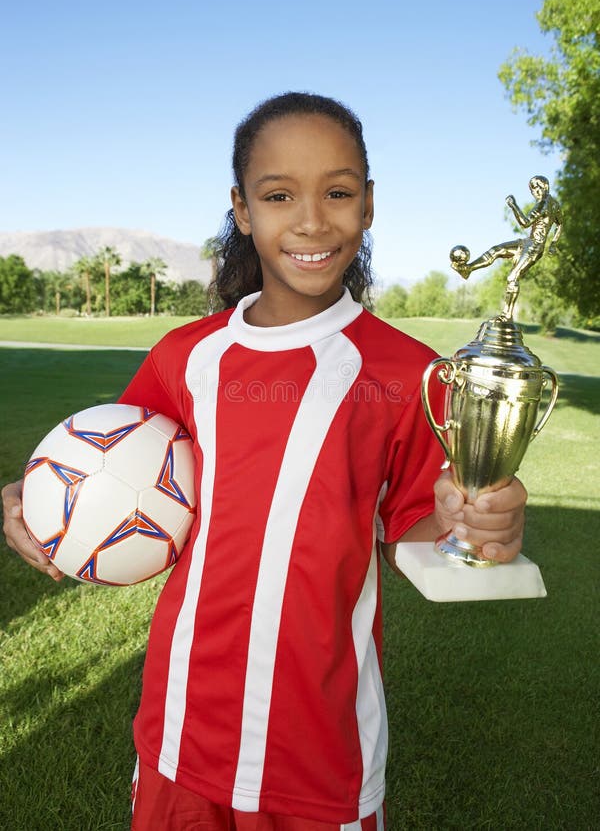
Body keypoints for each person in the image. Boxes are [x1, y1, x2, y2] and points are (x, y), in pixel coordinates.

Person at [2, 92, 527, 831]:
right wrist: (27, 496)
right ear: (243, 210)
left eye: (338, 192)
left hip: (318, 752)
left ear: (368, 205)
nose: (312, 220)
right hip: (178, 731)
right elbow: (101, 469)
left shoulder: (410, 375)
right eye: (279, 195)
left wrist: (479, 526)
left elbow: (420, 527)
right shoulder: (186, 358)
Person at [451, 175, 563, 320]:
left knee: (512, 277)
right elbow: (560, 224)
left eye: (535, 189)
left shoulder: (543, 204)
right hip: (528, 241)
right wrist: (553, 244)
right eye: (532, 191)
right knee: (497, 249)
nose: (534, 193)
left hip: (535, 246)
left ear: (544, 187)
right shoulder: (555, 204)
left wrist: (513, 205)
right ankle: (468, 269)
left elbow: (525, 222)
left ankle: (507, 315)